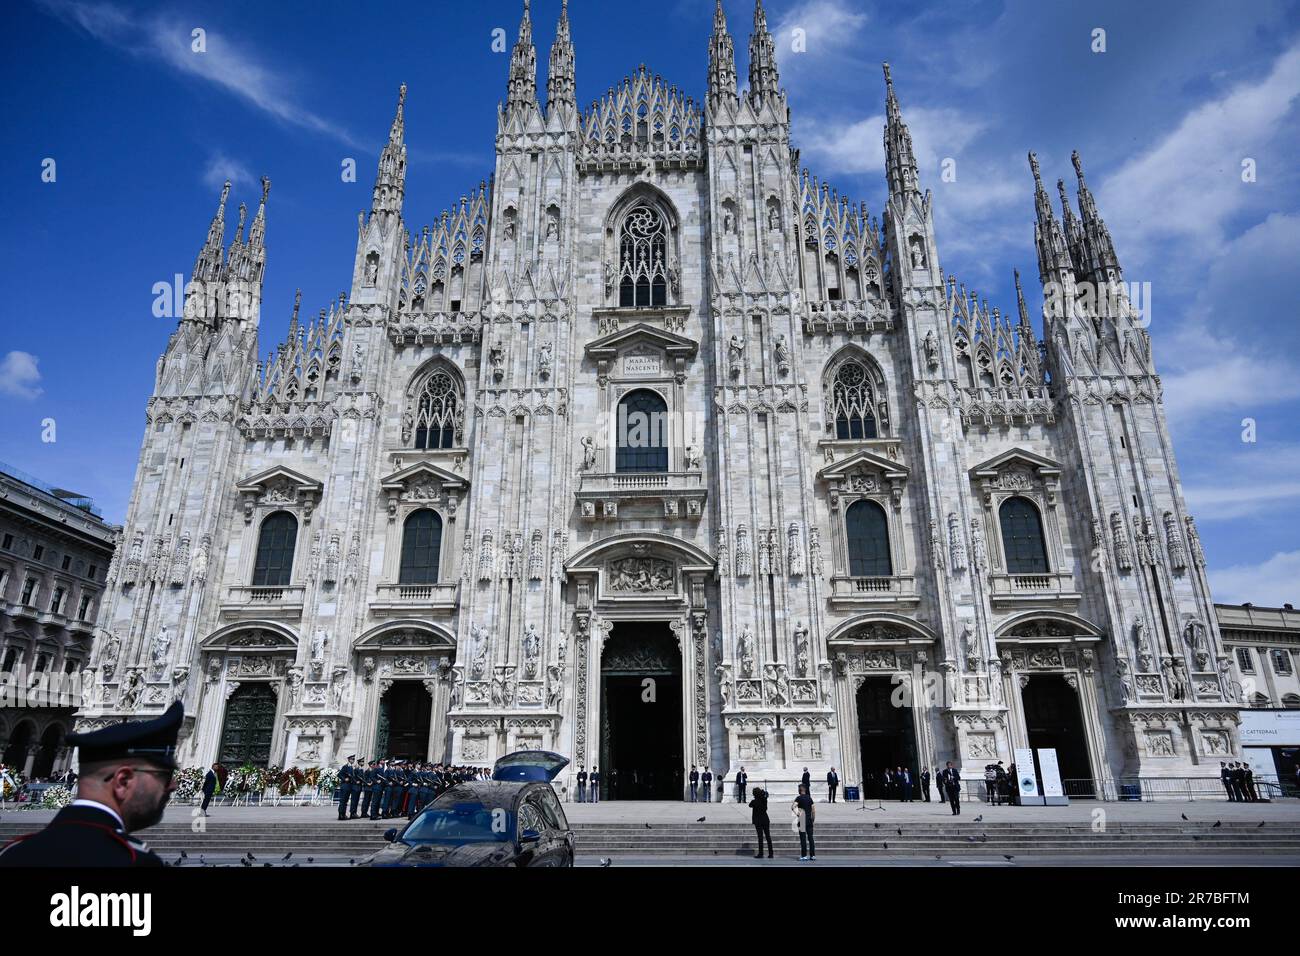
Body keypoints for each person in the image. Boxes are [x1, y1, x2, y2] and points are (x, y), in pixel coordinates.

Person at [0, 701, 183, 867]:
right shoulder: (135, 863)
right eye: (164, 775)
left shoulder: (12, 854)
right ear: (123, 781)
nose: (173, 785)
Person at [793, 784, 816, 861]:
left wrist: (798, 814)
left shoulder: (798, 798)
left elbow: (793, 807)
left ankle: (804, 855)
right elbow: (813, 810)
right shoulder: (809, 798)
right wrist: (813, 819)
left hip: (802, 819)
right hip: (809, 819)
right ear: (805, 790)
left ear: (800, 790)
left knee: (803, 838)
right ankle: (812, 855)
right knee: (810, 838)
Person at [749, 786, 773, 859]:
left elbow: (750, 805)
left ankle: (761, 853)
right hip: (765, 819)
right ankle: (771, 853)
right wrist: (763, 794)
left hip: (758, 821)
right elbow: (765, 804)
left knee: (760, 837)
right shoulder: (764, 800)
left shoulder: (754, 801)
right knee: (768, 837)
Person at [337, 754, 357, 821]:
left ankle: (343, 814)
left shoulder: (352, 767)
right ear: (349, 759)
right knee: (343, 801)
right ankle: (341, 815)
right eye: (352, 759)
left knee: (345, 801)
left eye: (353, 759)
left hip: (349, 786)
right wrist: (344, 779)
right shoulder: (345, 766)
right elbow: (339, 774)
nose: (353, 760)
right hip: (345, 785)